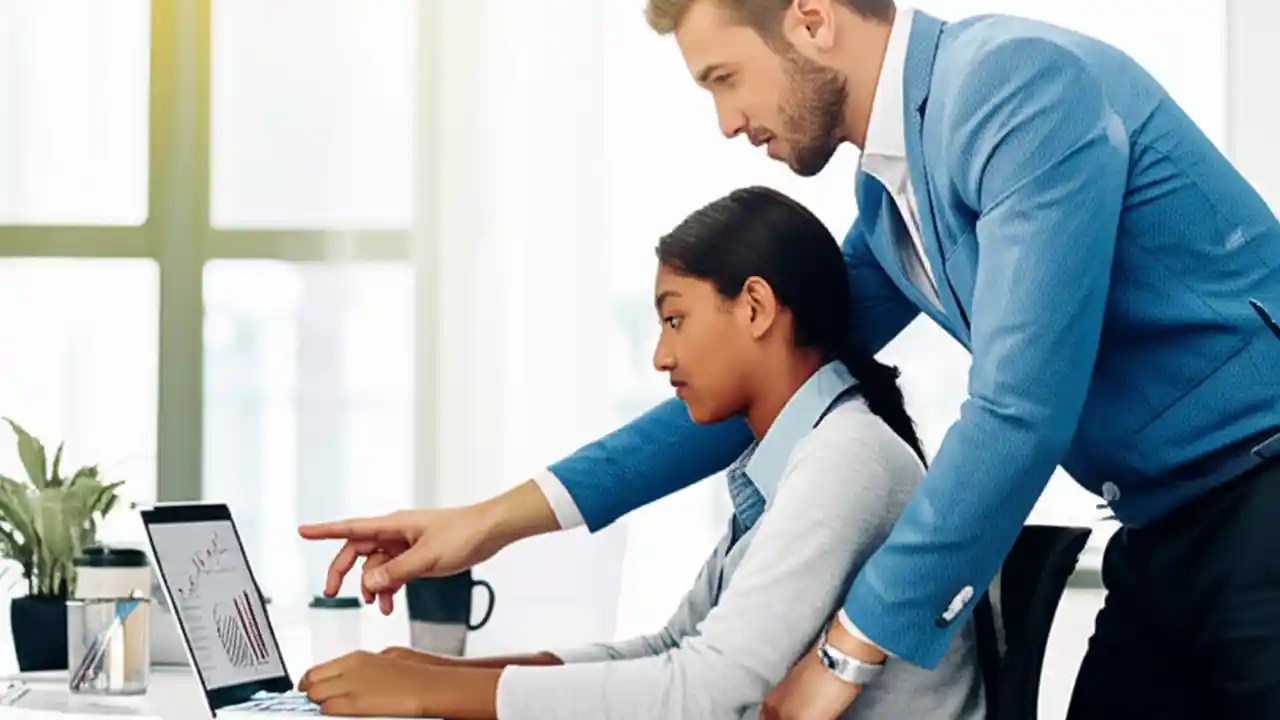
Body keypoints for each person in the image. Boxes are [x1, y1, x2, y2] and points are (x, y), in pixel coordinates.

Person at [304, 1, 1280, 717]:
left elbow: (1020, 409)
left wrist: (847, 654)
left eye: (723, 79)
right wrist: (487, 525)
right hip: (1162, 527)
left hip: (1262, 498)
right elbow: (758, 375)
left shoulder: (1010, 84)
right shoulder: (889, 207)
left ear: (811, 19)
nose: (726, 122)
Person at [298, 187, 986, 719]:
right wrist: (440, 675)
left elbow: (705, 691)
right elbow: (672, 649)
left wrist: (428, 693)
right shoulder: (803, 456)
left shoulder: (846, 458)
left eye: (676, 319)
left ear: (754, 307)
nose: (660, 356)